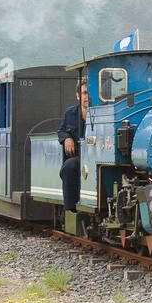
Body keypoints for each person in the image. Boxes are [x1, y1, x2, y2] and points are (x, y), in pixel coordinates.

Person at [58, 79, 90, 213]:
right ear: (78, 96)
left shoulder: (105, 112)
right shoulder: (70, 113)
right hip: (79, 157)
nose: (88, 97)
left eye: (90, 93)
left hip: (97, 157)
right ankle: (71, 206)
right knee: (69, 166)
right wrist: (67, 139)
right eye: (85, 93)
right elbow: (62, 131)